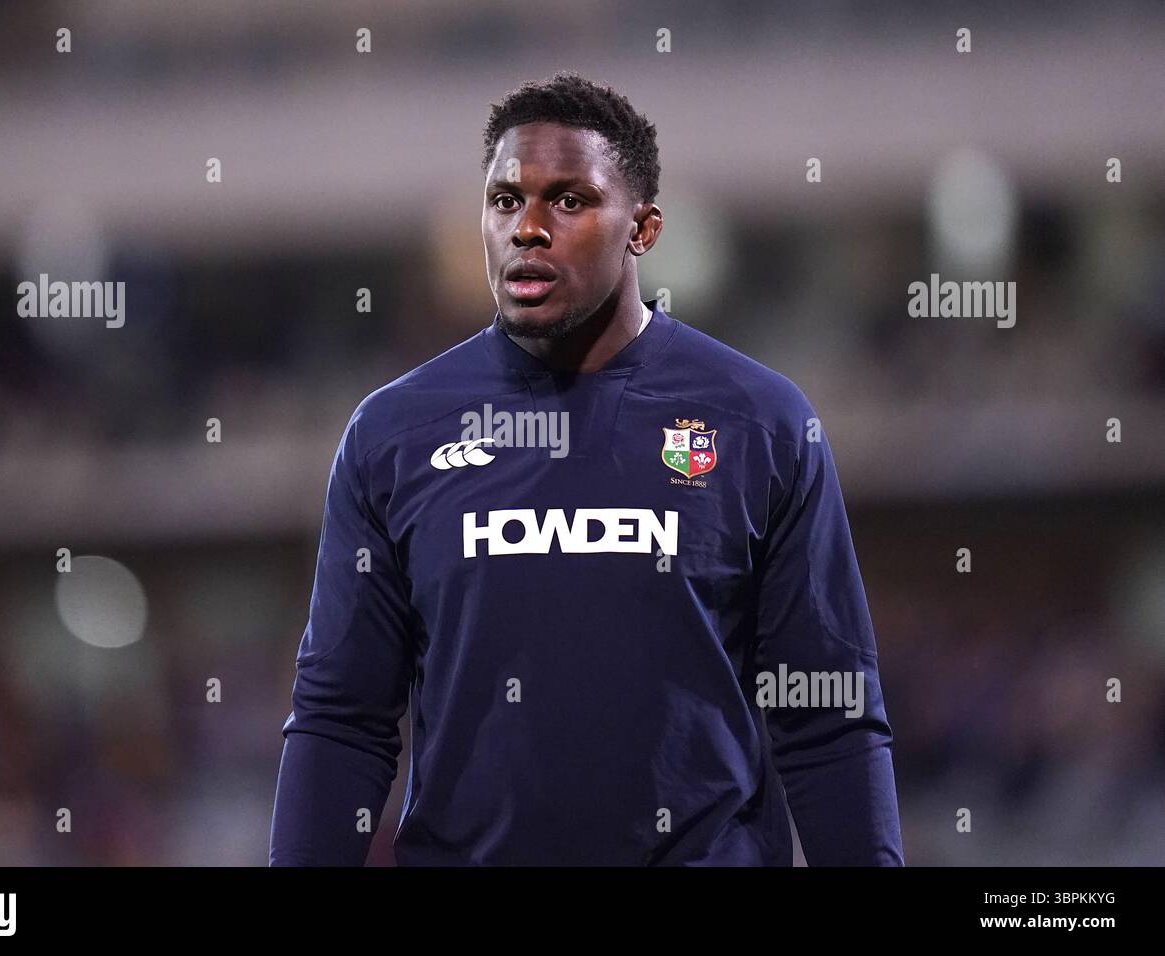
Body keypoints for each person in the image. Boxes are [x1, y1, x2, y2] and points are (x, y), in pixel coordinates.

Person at [269, 71, 903, 866]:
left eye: (568, 201)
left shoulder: (760, 423)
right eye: (506, 201)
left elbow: (830, 716)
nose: (528, 228)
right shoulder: (393, 434)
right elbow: (341, 717)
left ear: (642, 229)